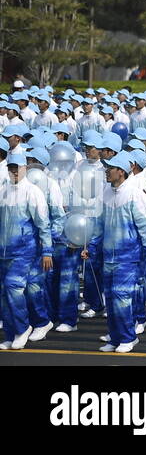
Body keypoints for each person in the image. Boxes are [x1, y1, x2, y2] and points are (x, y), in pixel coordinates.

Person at [85, 154, 146, 353]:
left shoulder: (134, 193)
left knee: (122, 297)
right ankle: (115, 338)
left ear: (121, 172)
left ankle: (127, 338)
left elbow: (145, 224)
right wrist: (91, 247)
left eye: (110, 169)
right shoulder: (107, 192)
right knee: (111, 299)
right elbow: (99, 225)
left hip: (129, 257)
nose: (106, 171)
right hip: (109, 256)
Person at [0, 149, 52, 351]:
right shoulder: (3, 192)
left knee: (14, 287)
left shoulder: (33, 192)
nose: (14, 171)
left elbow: (43, 223)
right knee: (5, 293)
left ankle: (23, 329)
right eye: (11, 167)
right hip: (4, 251)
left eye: (17, 167)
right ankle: (11, 333)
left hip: (24, 251)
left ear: (25, 169)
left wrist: (47, 250)